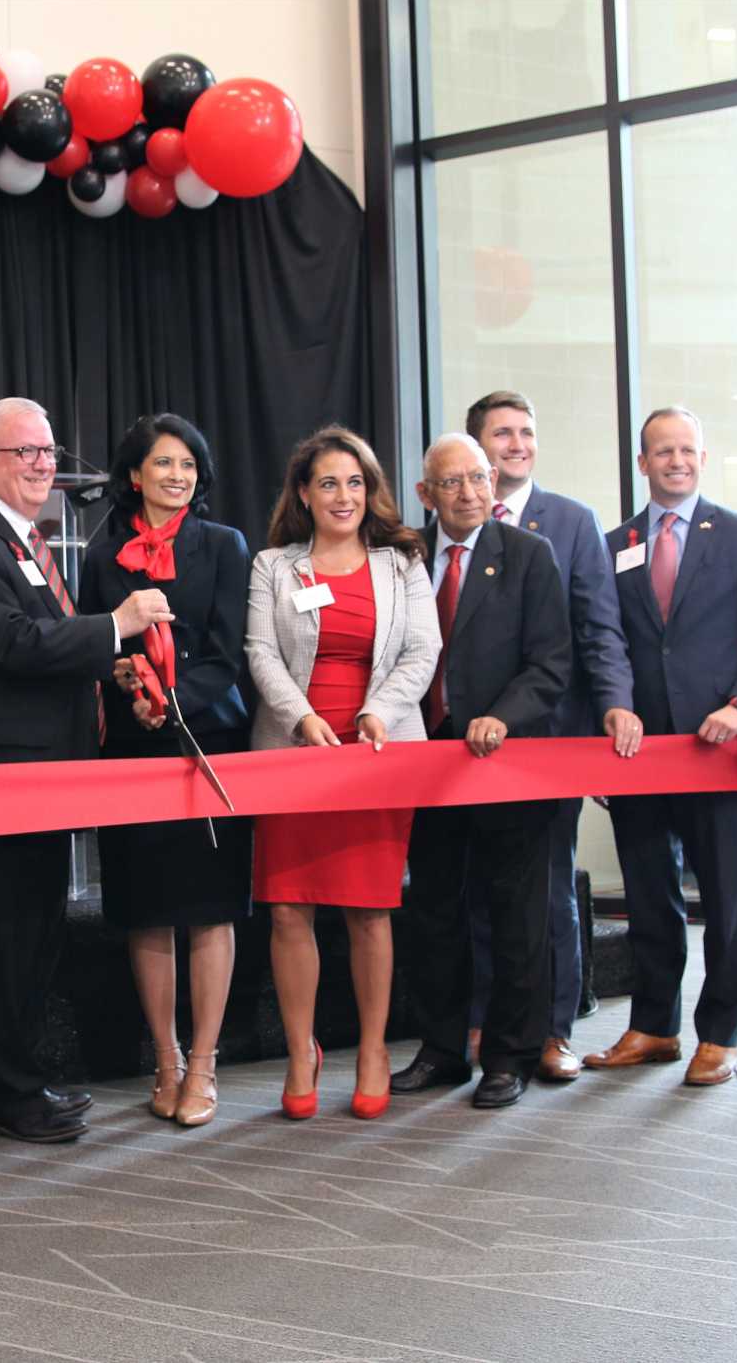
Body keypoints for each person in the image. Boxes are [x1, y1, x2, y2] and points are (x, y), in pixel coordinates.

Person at [0, 396, 173, 1144]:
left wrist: (112, 666)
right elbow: (12, 644)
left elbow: (49, 643)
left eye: (48, 452)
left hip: (49, 775)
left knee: (36, 936)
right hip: (4, 776)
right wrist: (114, 626)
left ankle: (25, 1078)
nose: (42, 465)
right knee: (4, 939)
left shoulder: (23, 540)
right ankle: (5, 1094)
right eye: (24, 452)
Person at [589, 406, 737, 1086]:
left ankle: (720, 1032)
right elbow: (607, 638)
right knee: (649, 897)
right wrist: (614, 707)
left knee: (728, 899)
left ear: (702, 459)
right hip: (638, 752)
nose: (675, 460)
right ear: (642, 462)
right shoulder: (614, 541)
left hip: (719, 749)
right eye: (662, 450)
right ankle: (654, 1025)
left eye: (686, 449)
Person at [245, 426, 439, 1121]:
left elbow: (424, 650)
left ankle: (375, 1047)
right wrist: (301, 719)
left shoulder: (402, 561)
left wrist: (378, 711)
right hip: (293, 753)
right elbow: (261, 654)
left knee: (369, 907)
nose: (343, 495)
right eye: (328, 481)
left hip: (374, 753)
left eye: (355, 482)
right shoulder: (274, 564)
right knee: (290, 906)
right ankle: (302, 1050)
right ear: (304, 492)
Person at [458, 391, 640, 1084]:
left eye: (527, 432)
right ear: (476, 447)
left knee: (552, 887)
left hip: (550, 737)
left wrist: (616, 705)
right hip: (467, 746)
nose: (518, 444)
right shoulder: (449, 522)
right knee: (479, 885)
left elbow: (599, 626)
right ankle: (484, 1017)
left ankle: (553, 1027)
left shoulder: (570, 521)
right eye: (502, 433)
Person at [78, 414, 253, 1129]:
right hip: (130, 744)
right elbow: (91, 640)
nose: (176, 476)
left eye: (187, 464)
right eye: (163, 464)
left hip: (208, 740)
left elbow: (227, 650)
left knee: (211, 906)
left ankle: (205, 1063)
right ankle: (167, 1058)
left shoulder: (225, 545)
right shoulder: (104, 551)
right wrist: (126, 681)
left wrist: (172, 701)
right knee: (146, 908)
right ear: (134, 476)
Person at [389, 434, 573, 1109]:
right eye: (452, 481)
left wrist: (503, 715)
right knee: (436, 911)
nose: (469, 492)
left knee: (516, 913)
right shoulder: (403, 559)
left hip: (507, 762)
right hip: (427, 761)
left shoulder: (528, 555)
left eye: (478, 477)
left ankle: (510, 1053)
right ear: (425, 494)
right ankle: (442, 1048)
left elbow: (552, 662)